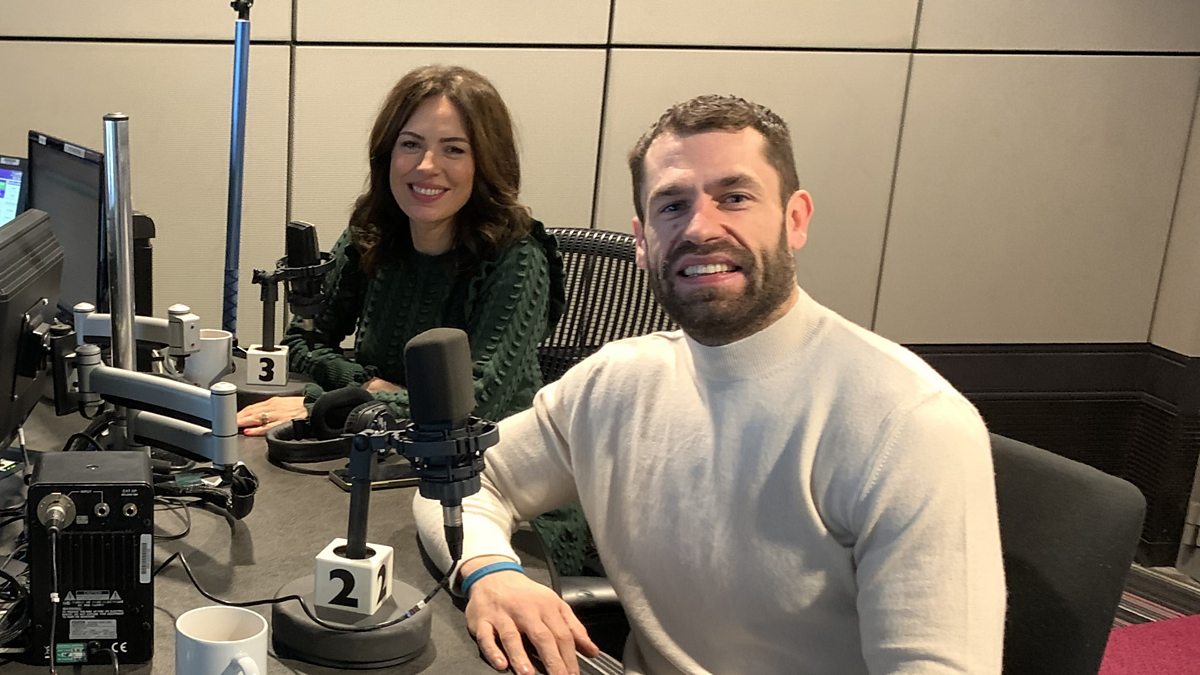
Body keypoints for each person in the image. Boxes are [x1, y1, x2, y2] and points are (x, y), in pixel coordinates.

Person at [414, 94, 1006, 675]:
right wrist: (491, 571)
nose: (701, 227)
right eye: (671, 205)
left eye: (736, 197)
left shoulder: (910, 425)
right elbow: (462, 480)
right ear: (642, 241)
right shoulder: (615, 383)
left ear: (795, 220)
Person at [237, 65, 564, 435]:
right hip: (383, 440)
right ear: (387, 153)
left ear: (486, 163)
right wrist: (368, 385)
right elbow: (300, 340)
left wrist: (336, 401)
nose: (427, 166)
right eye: (410, 144)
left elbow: (475, 404)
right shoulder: (372, 233)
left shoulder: (517, 259)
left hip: (490, 464)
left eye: (453, 150)